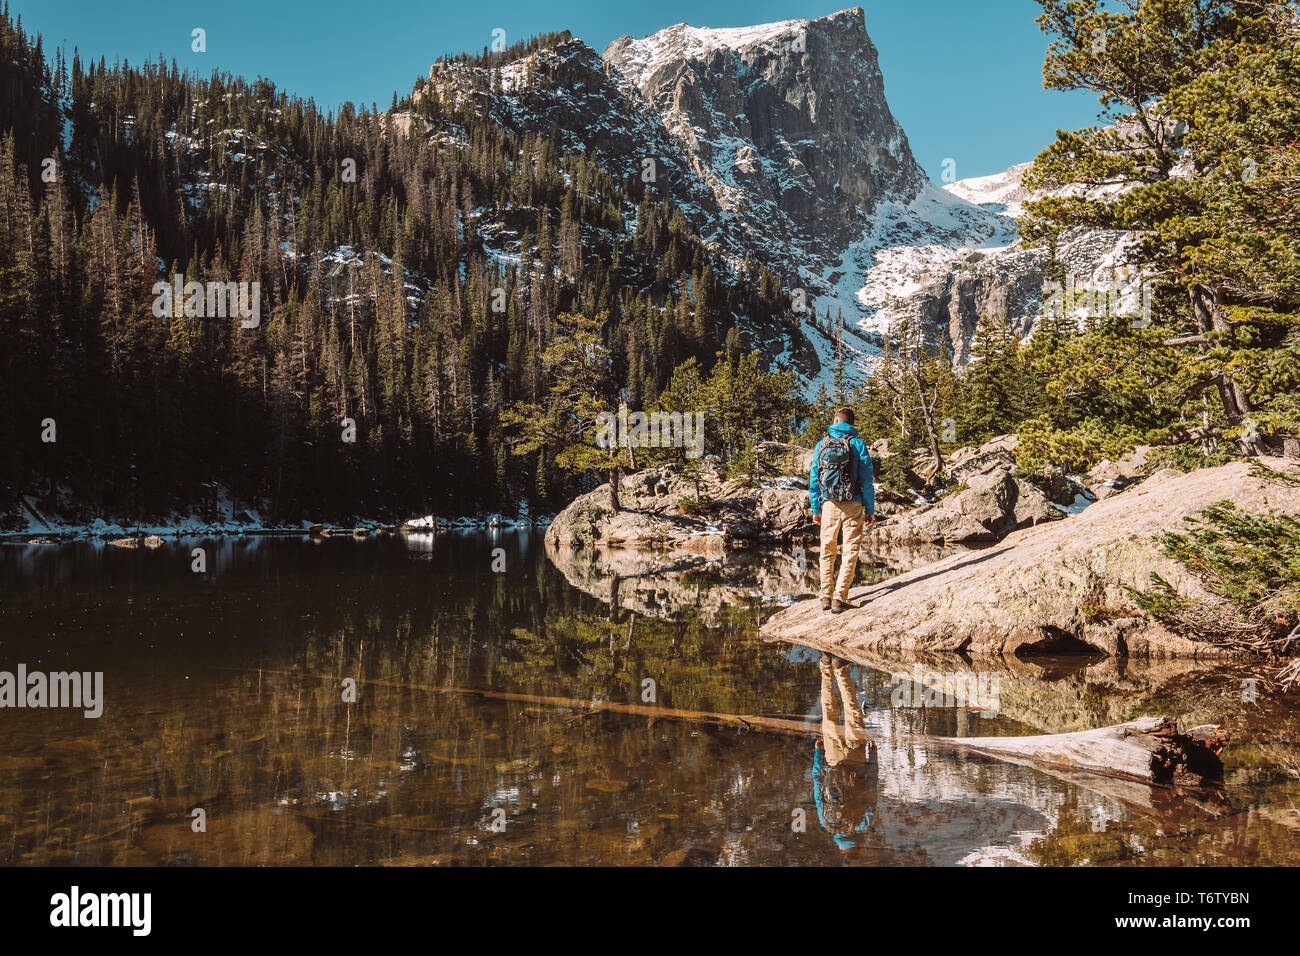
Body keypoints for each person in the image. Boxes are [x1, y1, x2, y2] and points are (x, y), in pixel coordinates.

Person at [808, 407, 875, 613]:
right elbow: (866, 480)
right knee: (850, 550)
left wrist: (816, 508)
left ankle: (825, 596)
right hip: (853, 503)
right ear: (852, 424)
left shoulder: (822, 444)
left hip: (829, 504)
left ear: (836, 420)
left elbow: (814, 479)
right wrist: (869, 508)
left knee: (827, 550)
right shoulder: (858, 444)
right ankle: (840, 597)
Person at [813, 654, 879, 851]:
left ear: (857, 844)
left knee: (852, 712)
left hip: (857, 758)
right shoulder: (827, 823)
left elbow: (871, 787)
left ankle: (840, 669)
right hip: (832, 759)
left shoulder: (862, 823)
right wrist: (818, 756)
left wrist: (873, 757)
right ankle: (826, 667)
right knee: (829, 711)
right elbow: (818, 787)